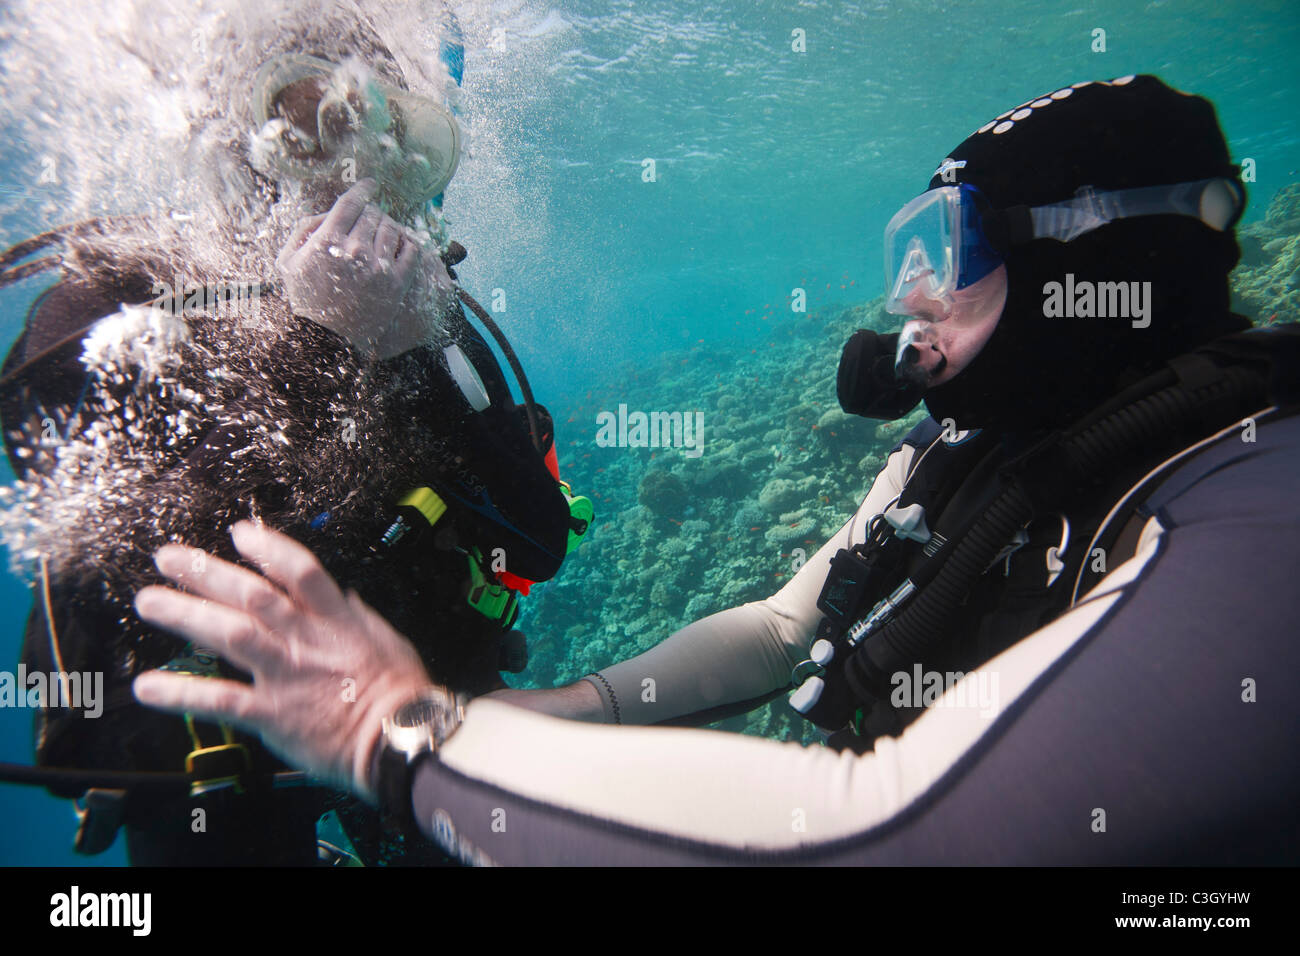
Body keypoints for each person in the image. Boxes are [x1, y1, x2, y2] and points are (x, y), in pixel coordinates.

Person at [132, 75, 1299, 865]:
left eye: (951, 248)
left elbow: (893, 837)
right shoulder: (971, 446)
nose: (908, 294)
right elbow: (784, 627)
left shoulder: (1255, 510)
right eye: (911, 249)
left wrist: (389, 729)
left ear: (1097, 260)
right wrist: (570, 710)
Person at [0, 9, 587, 865]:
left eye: (387, 142)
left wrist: (407, 356)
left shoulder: (433, 326)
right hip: (212, 760)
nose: (351, 177)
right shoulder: (129, 305)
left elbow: (534, 544)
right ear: (237, 150)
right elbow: (104, 574)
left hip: (416, 712)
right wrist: (316, 345)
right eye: (308, 127)